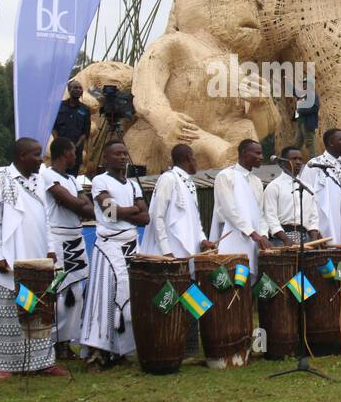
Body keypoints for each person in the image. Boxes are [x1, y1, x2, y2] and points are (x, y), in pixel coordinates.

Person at [0, 137, 66, 379]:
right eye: (36, 155)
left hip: (36, 256)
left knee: (37, 308)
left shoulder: (39, 181)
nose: (41, 160)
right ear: (22, 156)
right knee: (7, 311)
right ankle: (4, 365)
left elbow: (45, 219)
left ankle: (43, 362)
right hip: (9, 256)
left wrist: (51, 248)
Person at [141, 143, 215, 356]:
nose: (196, 163)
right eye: (195, 159)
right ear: (188, 158)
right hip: (171, 255)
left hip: (188, 254)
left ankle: (190, 348)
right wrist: (166, 250)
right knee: (169, 303)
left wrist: (203, 240)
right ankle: (167, 345)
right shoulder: (168, 179)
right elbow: (158, 215)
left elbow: (194, 220)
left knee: (194, 300)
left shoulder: (188, 182)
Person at [80, 140, 148, 367]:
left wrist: (122, 212)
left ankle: (121, 350)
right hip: (108, 247)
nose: (122, 157)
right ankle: (97, 353)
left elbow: (145, 217)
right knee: (103, 298)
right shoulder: (100, 181)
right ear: (105, 159)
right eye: (116, 154)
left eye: (124, 153)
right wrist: (131, 210)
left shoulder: (132, 185)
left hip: (130, 246)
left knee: (129, 298)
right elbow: (109, 213)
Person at [40, 137, 94, 357]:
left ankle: (65, 340)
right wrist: (77, 203)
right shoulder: (46, 175)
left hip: (75, 237)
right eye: (74, 152)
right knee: (56, 293)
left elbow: (87, 208)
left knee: (76, 294)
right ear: (65, 153)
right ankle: (49, 341)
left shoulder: (72, 179)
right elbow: (75, 203)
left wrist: (77, 202)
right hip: (57, 237)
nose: (76, 156)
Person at [210, 138, 268, 279]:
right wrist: (253, 234)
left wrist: (264, 235)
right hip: (230, 236)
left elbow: (260, 214)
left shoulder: (257, 181)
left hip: (253, 241)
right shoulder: (225, 176)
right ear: (244, 153)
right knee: (230, 281)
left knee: (248, 286)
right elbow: (229, 211)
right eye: (257, 153)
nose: (261, 157)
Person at [299, 128, 341, 245]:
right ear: (330, 143)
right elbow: (305, 200)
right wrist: (313, 230)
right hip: (322, 229)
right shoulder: (313, 165)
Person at [263, 145, 321, 245]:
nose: (298, 162)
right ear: (283, 162)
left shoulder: (308, 188)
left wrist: (314, 239)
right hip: (281, 240)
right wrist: (285, 239)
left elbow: (313, 217)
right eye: (294, 159)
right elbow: (270, 217)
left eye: (300, 159)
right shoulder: (274, 187)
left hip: (305, 239)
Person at [52, 80, 92, 175]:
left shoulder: (85, 109)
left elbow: (85, 132)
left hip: (75, 151)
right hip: (60, 149)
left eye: (80, 88)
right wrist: (58, 142)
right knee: (57, 174)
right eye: (75, 87)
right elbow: (53, 127)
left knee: (72, 176)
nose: (78, 90)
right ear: (69, 90)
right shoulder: (59, 106)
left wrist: (75, 147)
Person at [293, 78, 320, 156]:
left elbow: (315, 108)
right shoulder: (303, 94)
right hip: (300, 122)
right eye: (303, 83)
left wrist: (301, 110)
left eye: (305, 83)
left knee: (309, 142)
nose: (304, 85)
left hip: (308, 123)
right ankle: (293, 160)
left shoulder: (313, 95)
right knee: (297, 143)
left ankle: (314, 160)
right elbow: (294, 92)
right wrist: (286, 81)